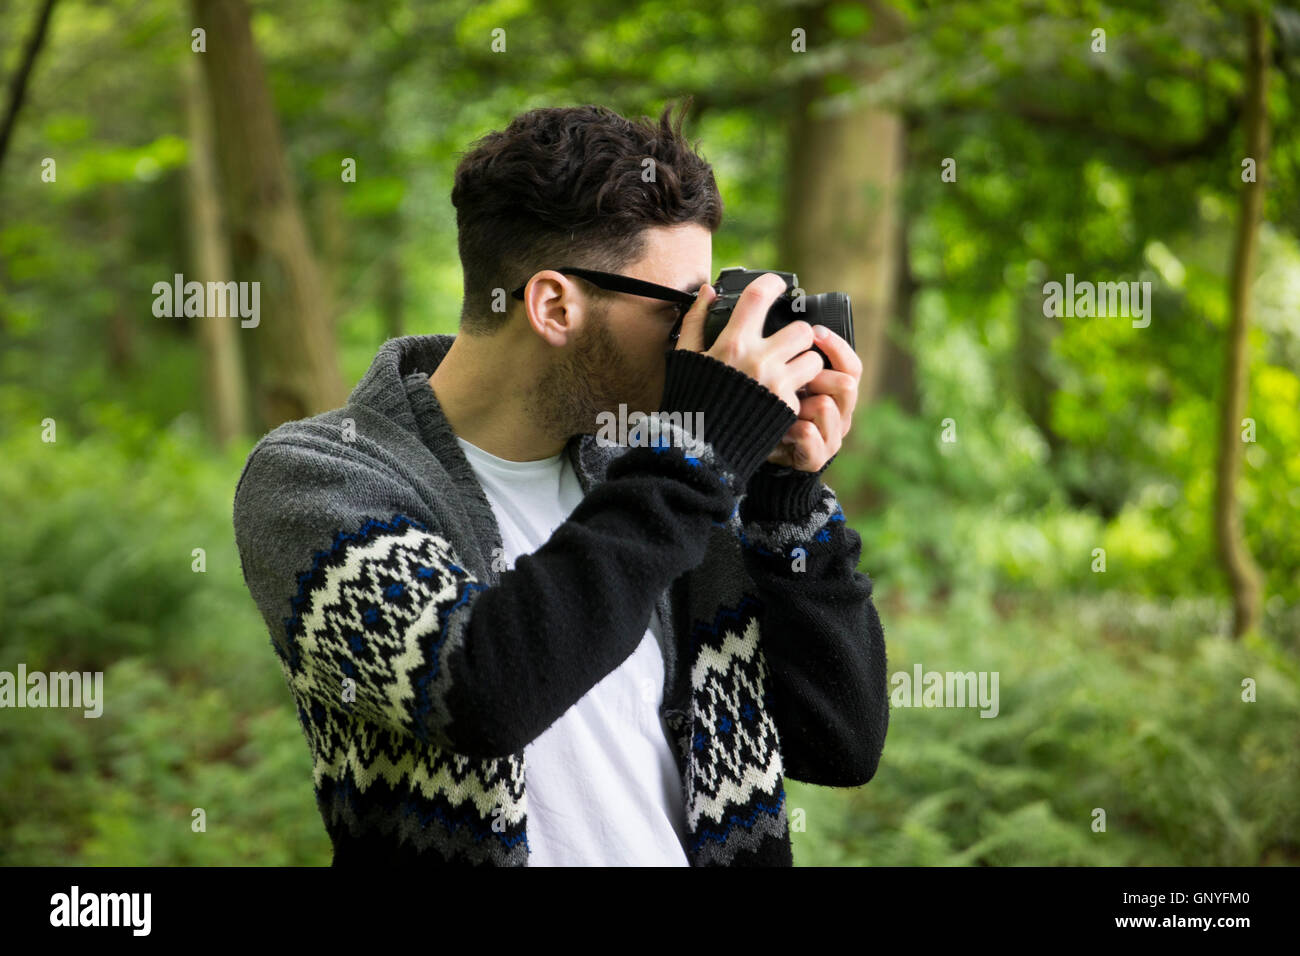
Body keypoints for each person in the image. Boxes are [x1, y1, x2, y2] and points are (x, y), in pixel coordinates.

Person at [232, 99, 889, 866]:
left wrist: (784, 494)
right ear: (553, 305)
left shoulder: (671, 472)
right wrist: (700, 450)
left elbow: (837, 743)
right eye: (683, 305)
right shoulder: (317, 478)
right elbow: (480, 693)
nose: (700, 336)